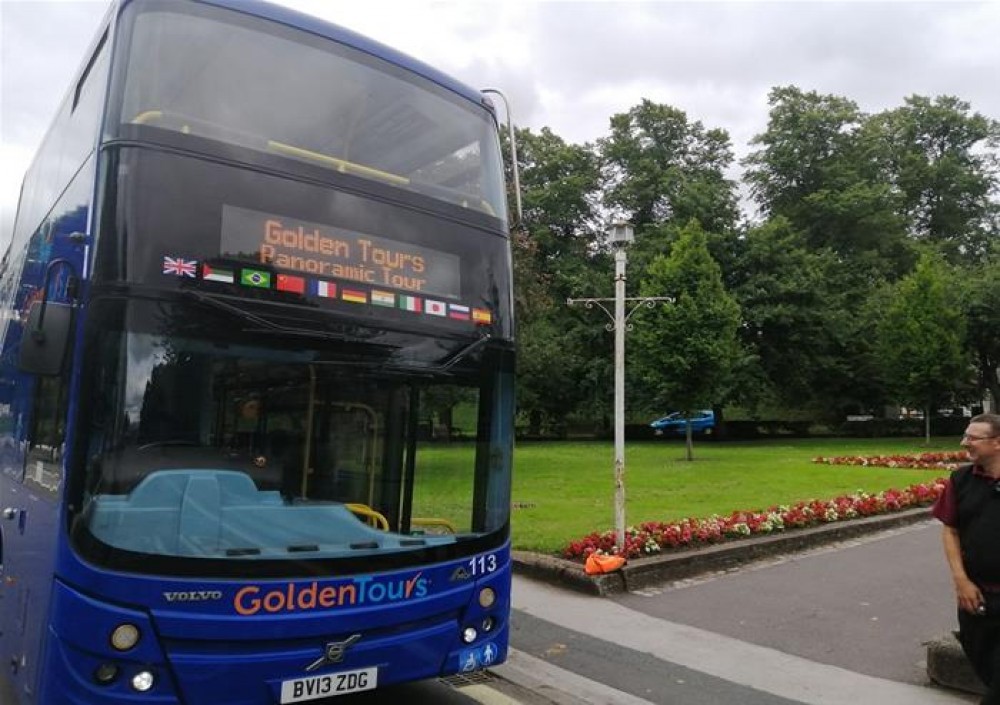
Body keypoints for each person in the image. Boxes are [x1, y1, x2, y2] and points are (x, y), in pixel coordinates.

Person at [933, 413, 1000, 704]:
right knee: (987, 669)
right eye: (966, 436)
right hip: (977, 598)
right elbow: (951, 530)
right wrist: (961, 580)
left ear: (997, 442)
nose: (964, 443)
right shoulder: (960, 479)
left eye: (973, 438)